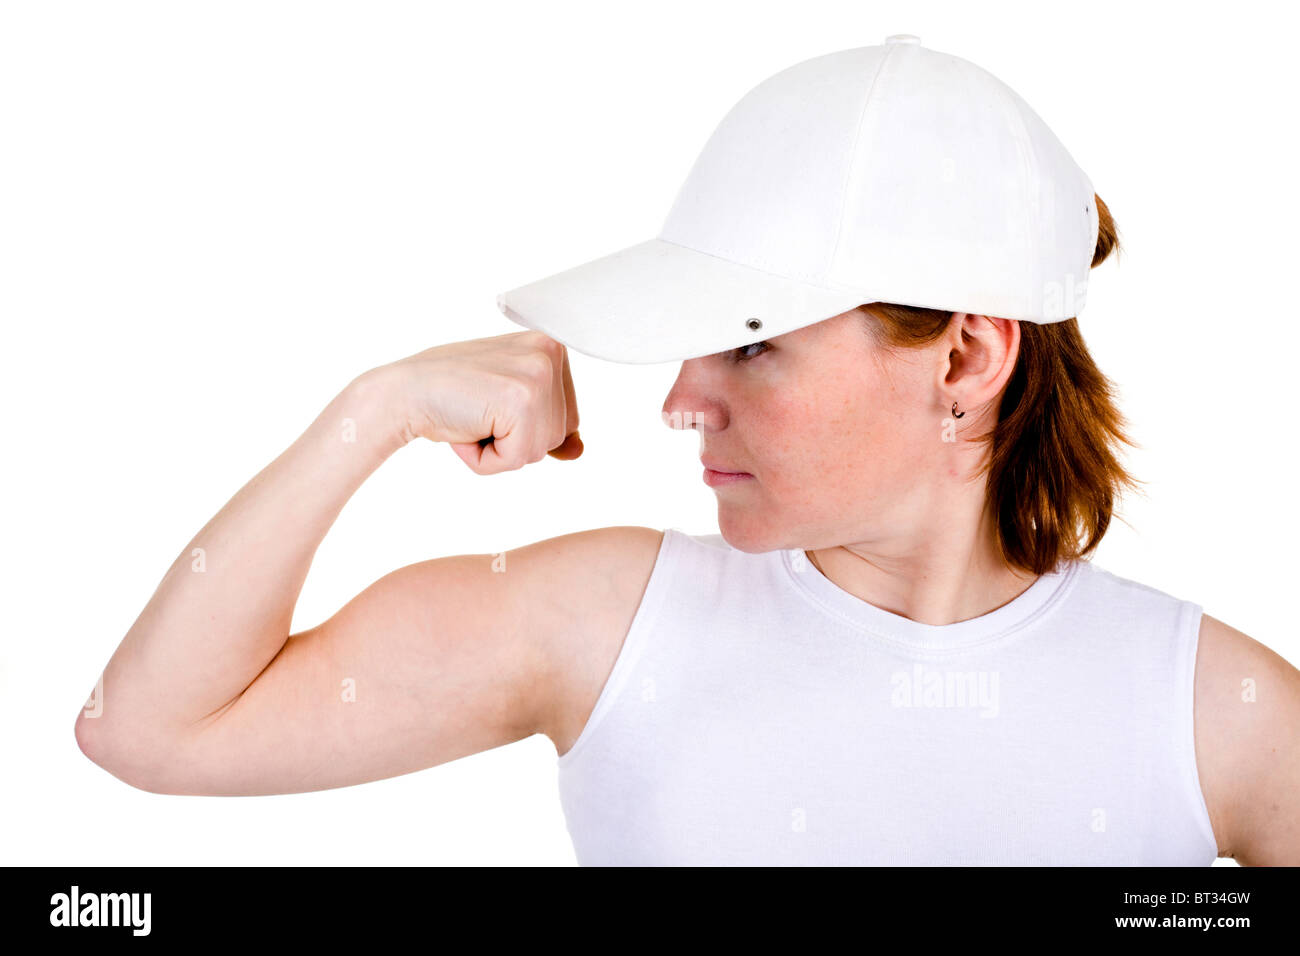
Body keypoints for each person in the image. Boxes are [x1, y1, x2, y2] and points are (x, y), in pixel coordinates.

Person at [75, 36, 1299, 866]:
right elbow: (151, 730)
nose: (678, 399)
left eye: (751, 346)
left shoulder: (1211, 711)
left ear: (967, 358)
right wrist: (373, 408)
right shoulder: (606, 619)